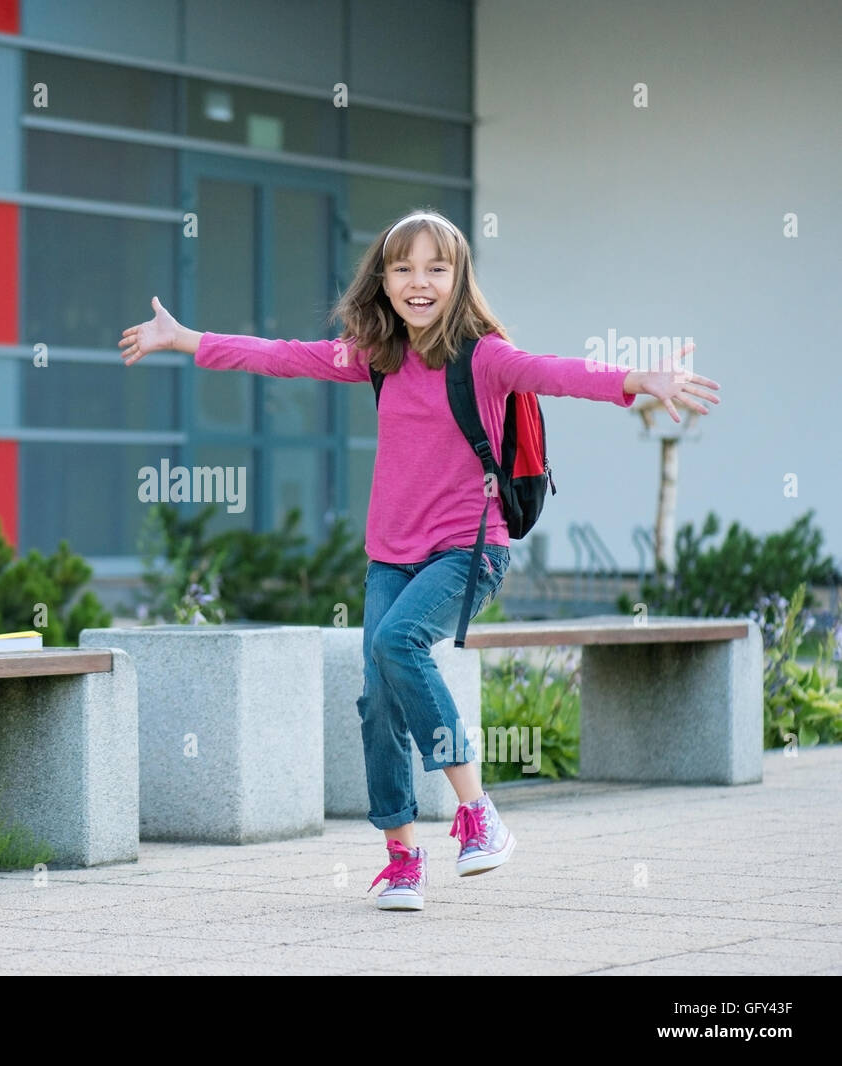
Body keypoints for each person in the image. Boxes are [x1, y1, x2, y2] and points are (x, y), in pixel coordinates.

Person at [117, 210, 720, 911]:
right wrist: (185, 338)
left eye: (436, 267)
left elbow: (555, 372)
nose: (419, 282)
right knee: (377, 701)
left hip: (469, 550)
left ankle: (476, 813)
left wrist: (637, 381)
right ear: (384, 279)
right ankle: (403, 860)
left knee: (399, 642)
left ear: (458, 277)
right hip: (390, 558)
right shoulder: (378, 354)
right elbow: (283, 354)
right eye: (403, 268)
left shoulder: (484, 357)